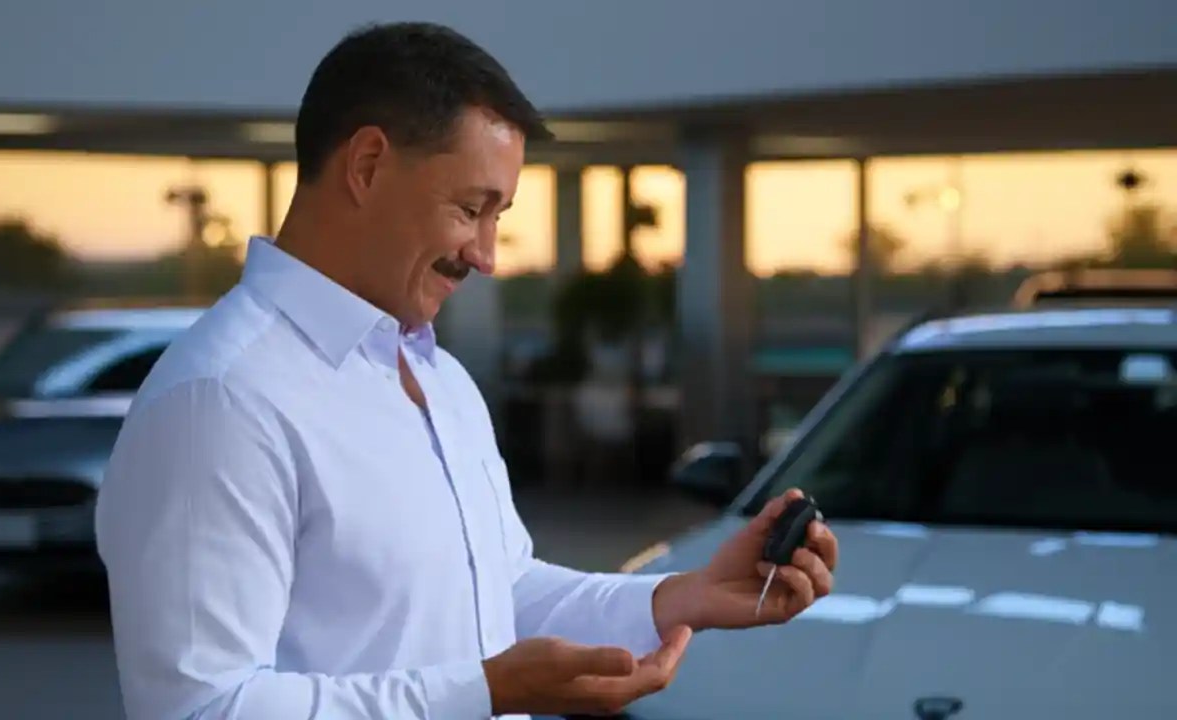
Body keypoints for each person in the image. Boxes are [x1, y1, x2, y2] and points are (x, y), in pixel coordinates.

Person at [94, 20, 838, 720]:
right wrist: (483, 690)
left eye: (499, 216)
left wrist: (686, 596)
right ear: (367, 165)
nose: (485, 254)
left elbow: (500, 591)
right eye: (470, 208)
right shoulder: (220, 398)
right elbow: (202, 709)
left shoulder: (438, 378)